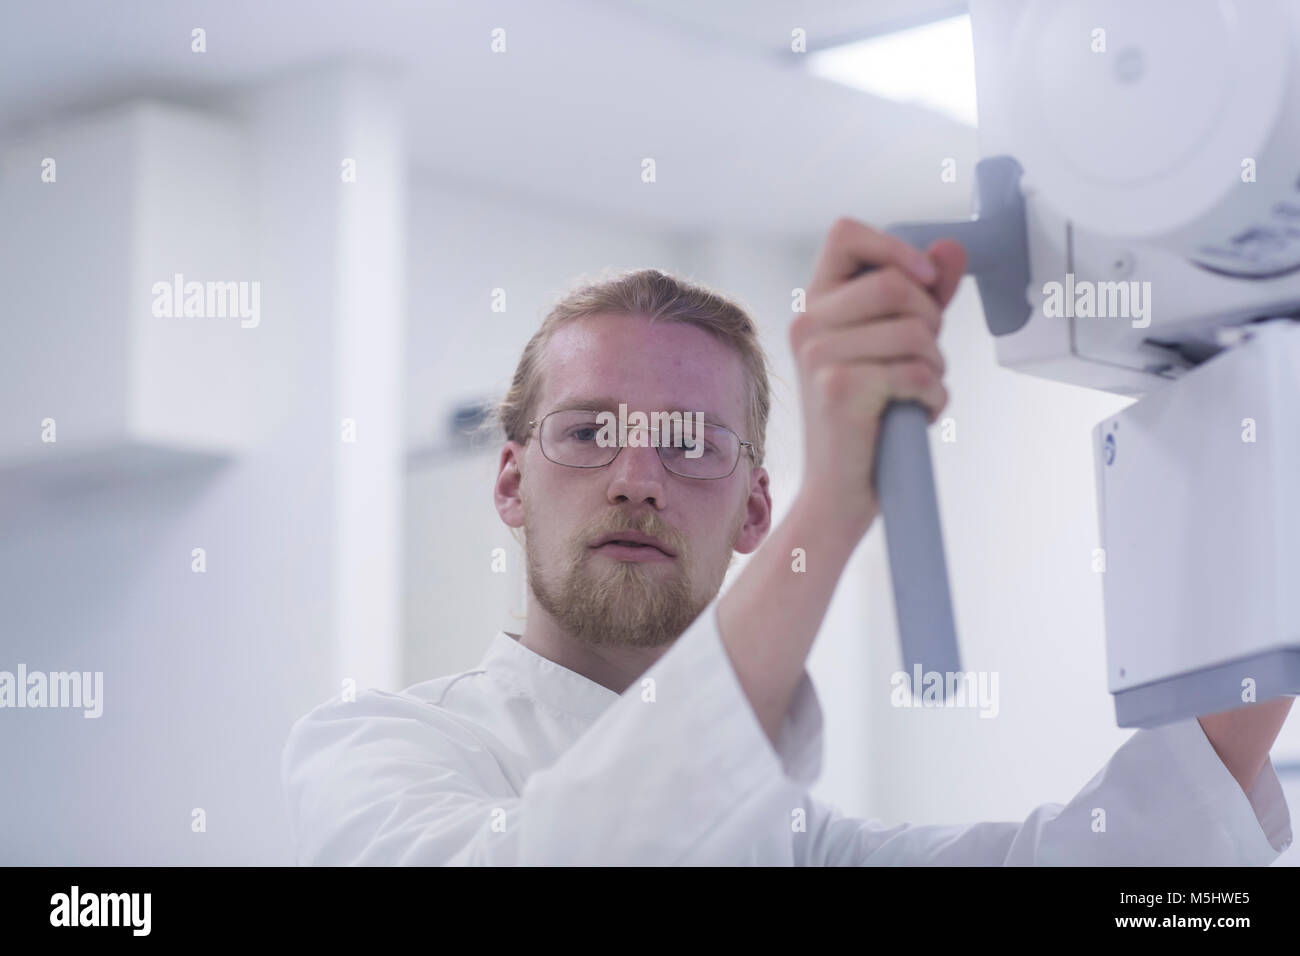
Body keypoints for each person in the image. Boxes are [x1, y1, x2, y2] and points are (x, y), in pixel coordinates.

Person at [281, 219, 1294, 865]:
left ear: (752, 510)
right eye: (589, 432)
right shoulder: (374, 752)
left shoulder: (788, 842)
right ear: (510, 478)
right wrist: (838, 503)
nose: (635, 475)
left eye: (691, 442)